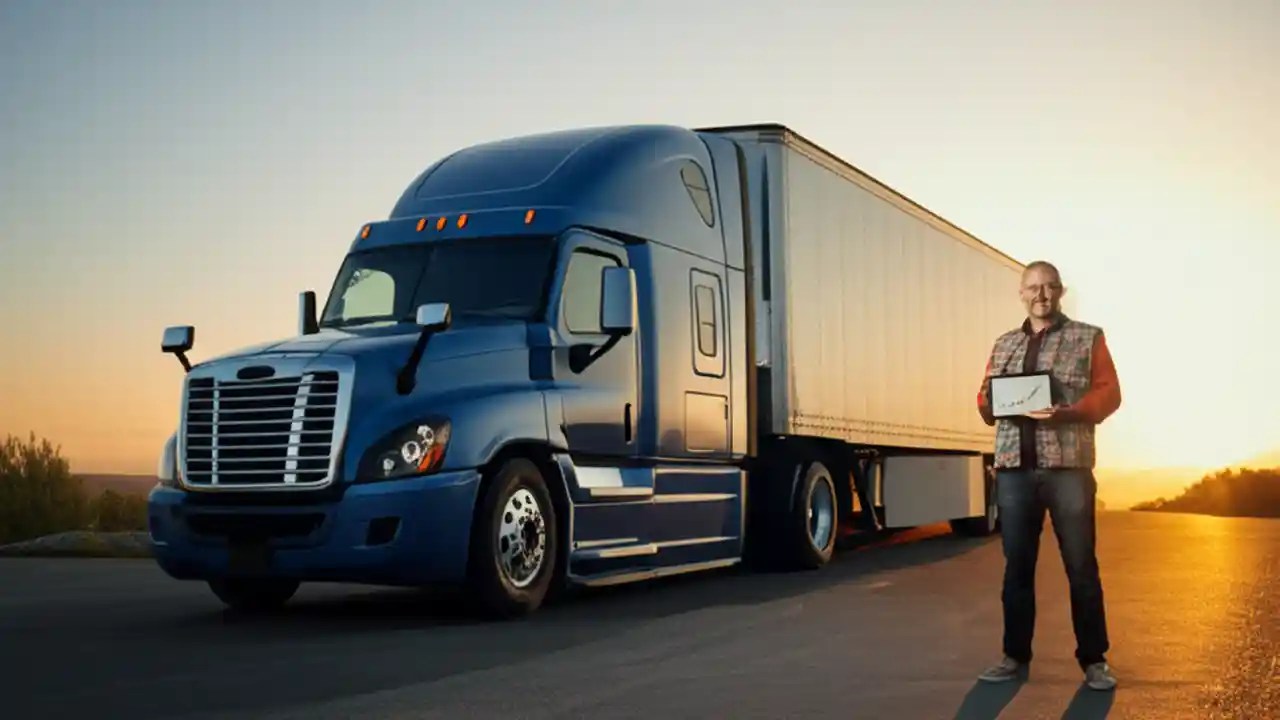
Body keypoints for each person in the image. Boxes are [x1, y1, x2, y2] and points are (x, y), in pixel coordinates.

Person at [974, 260, 1122, 691]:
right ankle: (1013, 656)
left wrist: (1070, 413)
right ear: (1021, 294)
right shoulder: (1003, 345)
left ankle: (1095, 660)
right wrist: (993, 403)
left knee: (1080, 566)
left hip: (1068, 469)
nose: (1041, 294)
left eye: (1049, 287)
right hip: (1015, 471)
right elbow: (984, 399)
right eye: (1032, 287)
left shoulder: (1087, 337)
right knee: (1016, 568)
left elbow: (1110, 393)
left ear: (1060, 291)